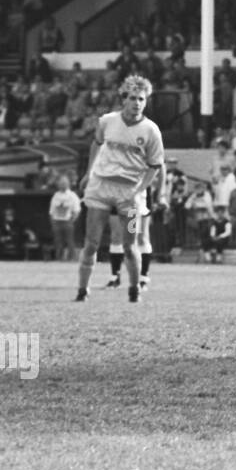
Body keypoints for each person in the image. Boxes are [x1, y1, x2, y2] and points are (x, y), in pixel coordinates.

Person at [75, 76, 165, 303]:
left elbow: (155, 166)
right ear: (124, 99)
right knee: (91, 242)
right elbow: (96, 144)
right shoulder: (107, 121)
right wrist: (89, 173)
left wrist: (140, 190)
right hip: (101, 188)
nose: (137, 103)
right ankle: (83, 289)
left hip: (130, 195)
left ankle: (134, 289)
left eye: (141, 99)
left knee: (130, 245)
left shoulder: (151, 130)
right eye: (133, 98)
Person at [48, 174, 82, 261]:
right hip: (57, 221)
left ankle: (72, 258)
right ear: (58, 184)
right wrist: (53, 221)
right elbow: (52, 210)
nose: (63, 184)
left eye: (64, 182)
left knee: (69, 240)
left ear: (68, 184)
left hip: (67, 221)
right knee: (58, 241)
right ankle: (59, 258)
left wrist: (72, 220)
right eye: (61, 183)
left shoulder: (72, 195)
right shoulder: (56, 195)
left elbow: (77, 210)